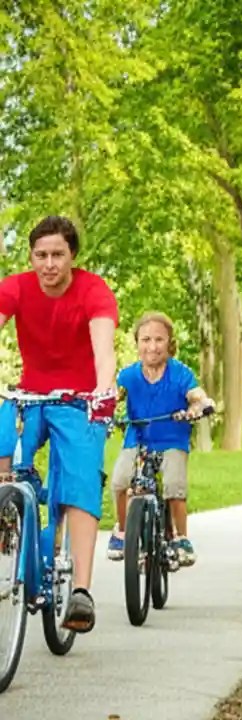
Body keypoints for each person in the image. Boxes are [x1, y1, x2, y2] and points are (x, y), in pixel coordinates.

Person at [0, 215, 119, 632]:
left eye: (57, 255)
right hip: (29, 395)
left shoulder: (94, 291)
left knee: (82, 479)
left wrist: (103, 393)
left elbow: (104, 351)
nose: (48, 263)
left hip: (79, 400)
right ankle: (8, 509)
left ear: (72, 257)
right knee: (1, 434)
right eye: (41, 254)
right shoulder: (15, 287)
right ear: (31, 255)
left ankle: (82, 592)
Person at [106, 312, 215, 566]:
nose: (152, 346)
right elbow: (113, 396)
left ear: (169, 343)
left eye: (159, 340)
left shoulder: (179, 374)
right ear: (137, 344)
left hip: (171, 439)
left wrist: (200, 405)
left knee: (174, 485)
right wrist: (104, 409)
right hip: (137, 438)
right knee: (120, 481)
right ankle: (122, 530)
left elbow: (196, 395)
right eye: (145, 340)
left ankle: (180, 538)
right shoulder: (130, 375)